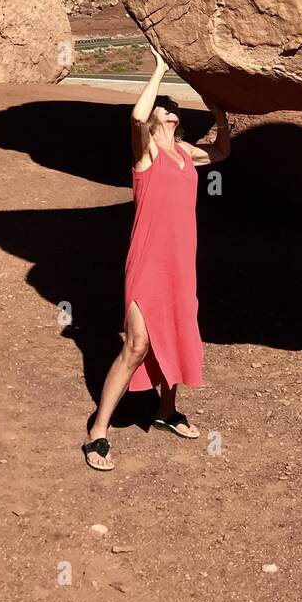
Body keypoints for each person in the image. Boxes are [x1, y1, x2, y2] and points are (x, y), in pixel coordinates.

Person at [82, 45, 231, 470]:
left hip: (181, 264)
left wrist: (219, 114)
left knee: (178, 333)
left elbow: (221, 153)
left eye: (172, 108)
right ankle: (98, 432)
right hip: (148, 261)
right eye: (164, 107)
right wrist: (160, 71)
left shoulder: (186, 154)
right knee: (137, 344)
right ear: (154, 117)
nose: (170, 111)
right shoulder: (145, 153)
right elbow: (134, 117)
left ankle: (166, 412)